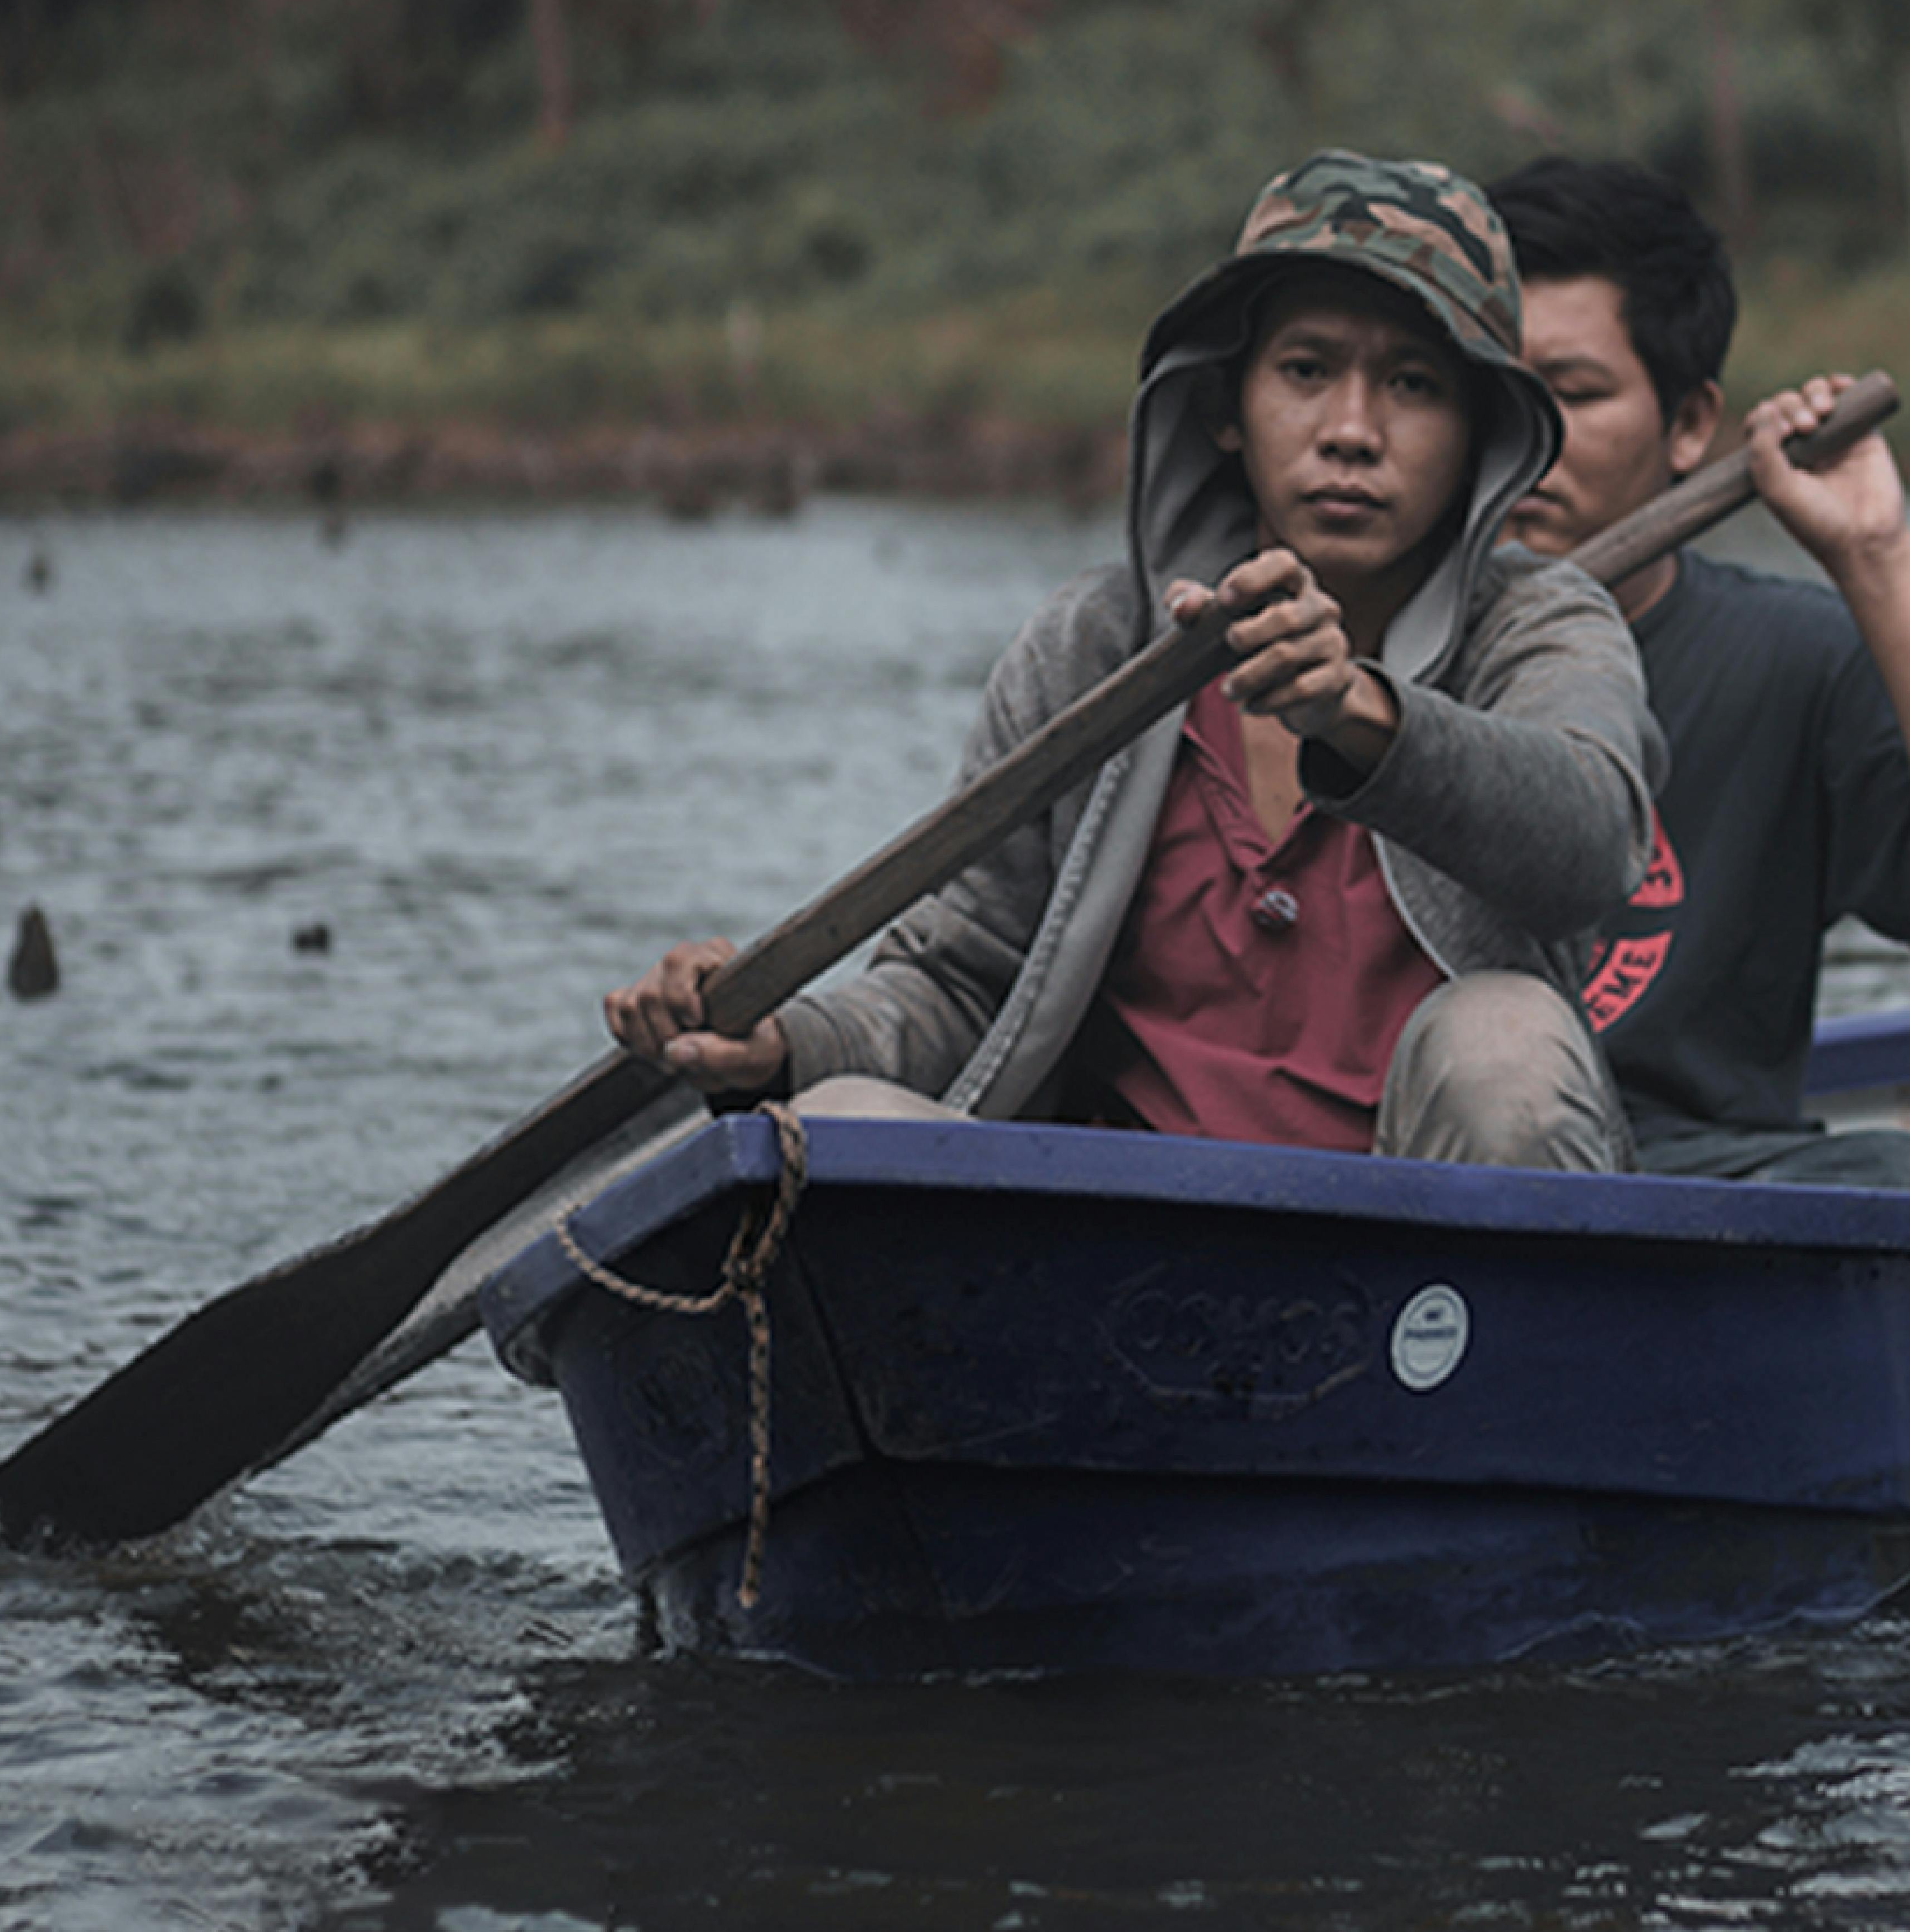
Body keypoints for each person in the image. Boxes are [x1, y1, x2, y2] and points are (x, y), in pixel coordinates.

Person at [607, 156, 1656, 1173]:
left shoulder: (1541, 624)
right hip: (1120, 1240)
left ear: (1480, 440)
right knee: (839, 1121)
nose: (1352, 431)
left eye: (1414, 385)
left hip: (1422, 1258)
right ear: (1226, 410)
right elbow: (963, 988)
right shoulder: (1097, 647)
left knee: (1506, 1041)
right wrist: (782, 1042)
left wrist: (1360, 714)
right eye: (1305, 371)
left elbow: (1590, 845)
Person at [1491, 152, 1910, 1189]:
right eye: (1491, 392)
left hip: (1694, 1180)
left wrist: (1875, 555)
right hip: (1425, 1158)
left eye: (1574, 395)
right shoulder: (1361, 640)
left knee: (1904, 1184)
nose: (1526, 439)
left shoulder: (1788, 656)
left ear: (1688, 425)